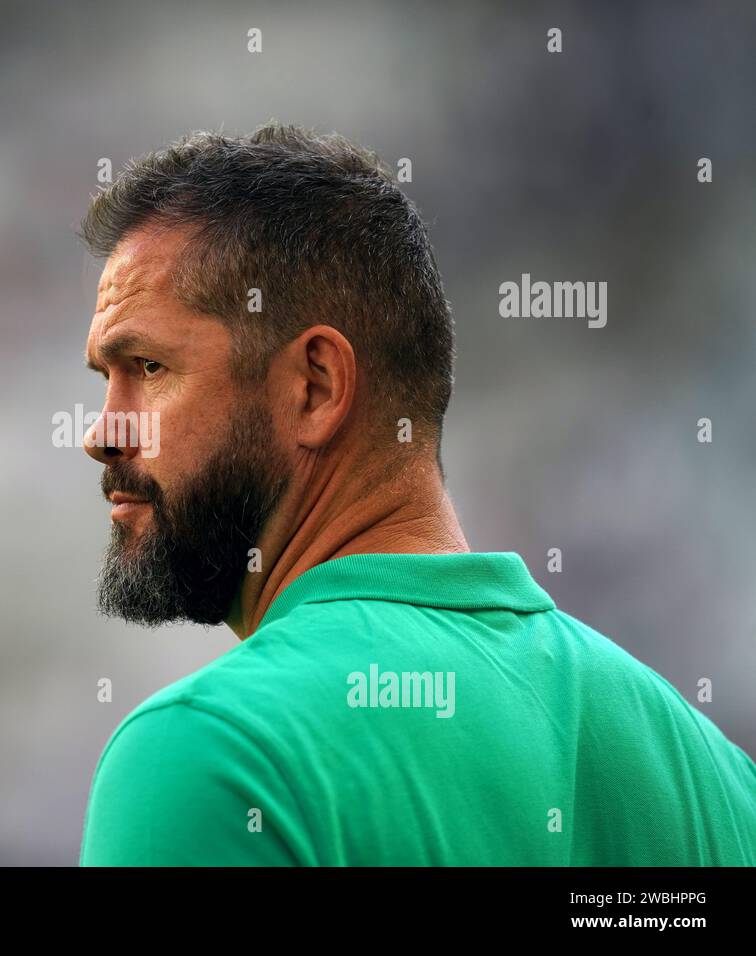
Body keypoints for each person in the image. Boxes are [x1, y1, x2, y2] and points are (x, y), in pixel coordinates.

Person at [76, 123, 756, 865]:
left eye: (145, 367)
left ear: (315, 388)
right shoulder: (717, 779)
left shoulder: (210, 754)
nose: (101, 432)